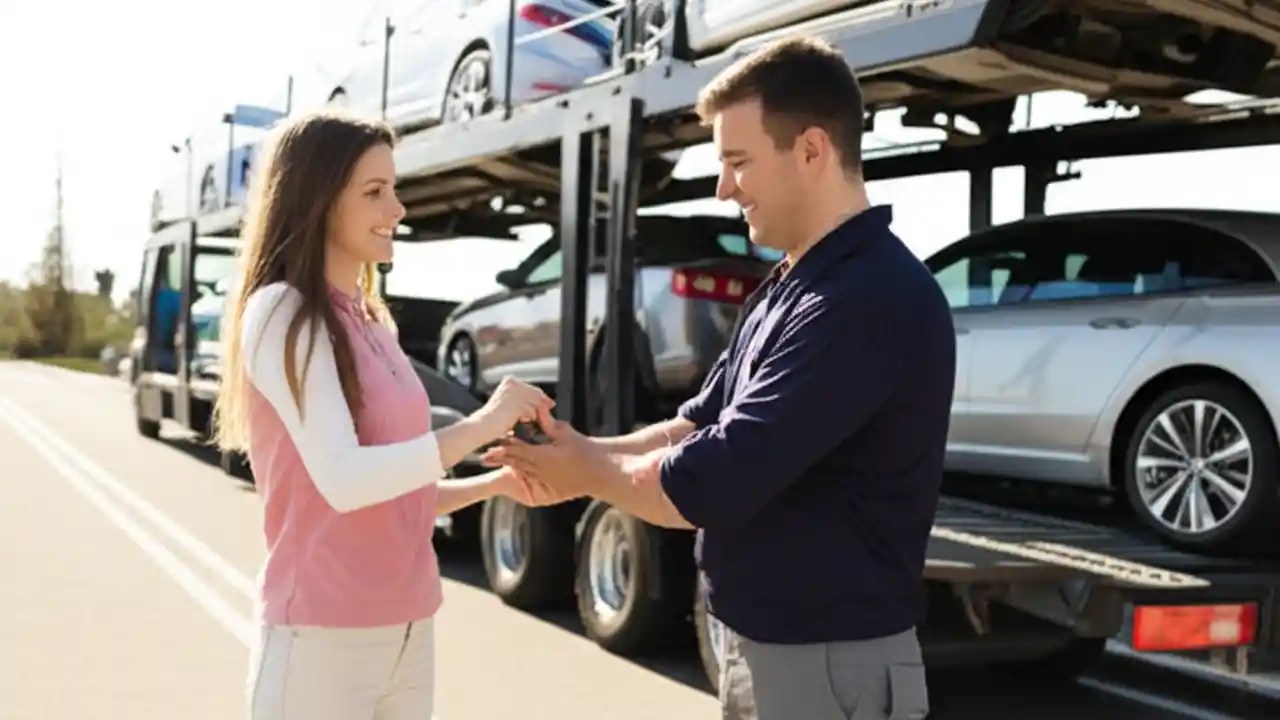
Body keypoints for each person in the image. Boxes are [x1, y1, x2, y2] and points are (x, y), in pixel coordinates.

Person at [486, 36, 955, 720]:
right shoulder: (792, 284)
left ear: (813, 150)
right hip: (766, 651)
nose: (722, 187)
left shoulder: (867, 298)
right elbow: (698, 425)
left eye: (738, 162)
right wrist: (578, 450)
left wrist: (583, 472)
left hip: (827, 662)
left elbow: (718, 475)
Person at [212, 108, 559, 720]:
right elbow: (346, 481)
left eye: (394, 189)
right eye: (375, 192)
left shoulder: (372, 318)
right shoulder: (283, 312)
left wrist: (496, 484)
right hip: (321, 642)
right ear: (317, 198)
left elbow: (397, 496)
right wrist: (481, 425)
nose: (396, 209)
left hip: (408, 629)